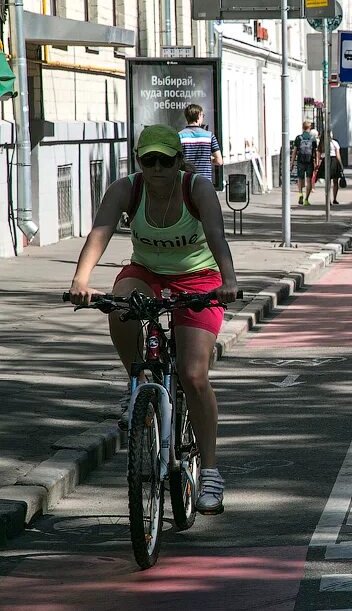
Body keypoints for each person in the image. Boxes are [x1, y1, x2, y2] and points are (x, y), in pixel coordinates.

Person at [68, 124, 238, 516]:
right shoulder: (127, 189)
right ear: (139, 162)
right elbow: (99, 233)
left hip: (199, 279)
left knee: (194, 374)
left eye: (165, 160)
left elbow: (216, 234)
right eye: (150, 160)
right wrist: (80, 281)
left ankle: (210, 472)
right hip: (147, 273)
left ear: (179, 161)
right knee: (118, 303)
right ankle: (137, 382)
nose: (158, 168)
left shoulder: (197, 189)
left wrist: (229, 280)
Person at [178, 104, 223, 186]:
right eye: (202, 115)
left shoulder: (179, 136)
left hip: (186, 181)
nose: (203, 118)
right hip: (205, 182)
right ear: (198, 116)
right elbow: (219, 161)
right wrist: (208, 158)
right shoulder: (209, 136)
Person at [311, 132, 343, 204]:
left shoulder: (322, 143)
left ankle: (328, 199)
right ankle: (334, 198)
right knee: (335, 181)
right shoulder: (334, 142)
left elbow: (318, 155)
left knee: (327, 182)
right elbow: (338, 155)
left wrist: (317, 164)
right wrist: (341, 164)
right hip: (334, 161)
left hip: (325, 161)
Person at [291, 121, 319, 205]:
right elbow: (315, 152)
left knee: (300, 178)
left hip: (300, 161)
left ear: (303, 127)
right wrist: (316, 162)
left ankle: (300, 194)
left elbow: (295, 151)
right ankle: (306, 200)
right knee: (309, 180)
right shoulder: (312, 138)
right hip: (309, 161)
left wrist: (292, 163)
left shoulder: (298, 138)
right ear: (310, 128)